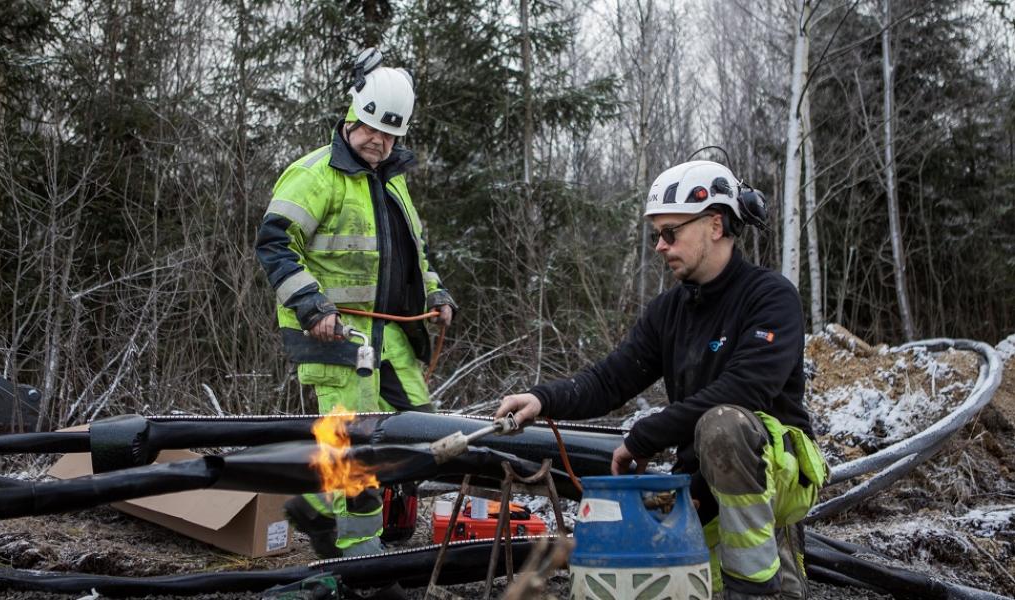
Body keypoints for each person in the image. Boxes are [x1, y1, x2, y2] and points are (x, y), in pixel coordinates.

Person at [496, 160, 828, 600]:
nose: (659, 246)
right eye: (656, 234)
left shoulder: (770, 297)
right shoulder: (669, 311)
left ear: (714, 224)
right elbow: (612, 379)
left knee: (723, 423)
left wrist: (645, 436)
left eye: (670, 233)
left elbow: (745, 390)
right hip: (700, 482)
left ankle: (757, 588)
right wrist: (541, 399)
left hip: (776, 472)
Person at [256, 48, 457, 559]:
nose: (379, 141)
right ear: (352, 116)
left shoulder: (392, 181)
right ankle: (362, 561)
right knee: (357, 444)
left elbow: (416, 254)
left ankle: (315, 504)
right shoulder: (314, 175)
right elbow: (275, 245)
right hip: (337, 336)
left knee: (421, 432)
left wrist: (435, 292)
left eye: (390, 135)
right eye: (371, 129)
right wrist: (313, 306)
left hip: (390, 338)